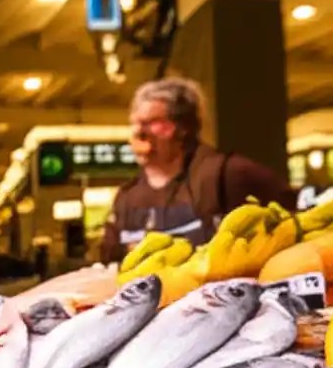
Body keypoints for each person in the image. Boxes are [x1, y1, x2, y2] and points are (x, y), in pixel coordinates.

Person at [99, 77, 295, 264]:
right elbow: (110, 260)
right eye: (136, 123)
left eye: (154, 123)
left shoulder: (228, 174)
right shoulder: (128, 197)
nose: (139, 133)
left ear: (184, 129)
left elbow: (296, 223)